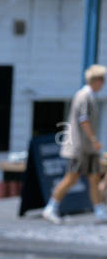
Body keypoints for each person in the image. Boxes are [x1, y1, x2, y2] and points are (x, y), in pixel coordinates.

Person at [43, 64, 106, 224]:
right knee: (71, 178)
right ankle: (51, 207)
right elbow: (83, 120)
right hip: (79, 147)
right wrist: (94, 139)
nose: (103, 83)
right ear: (96, 80)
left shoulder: (90, 96)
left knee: (94, 178)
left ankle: (99, 211)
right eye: (102, 80)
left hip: (88, 148)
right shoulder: (83, 95)